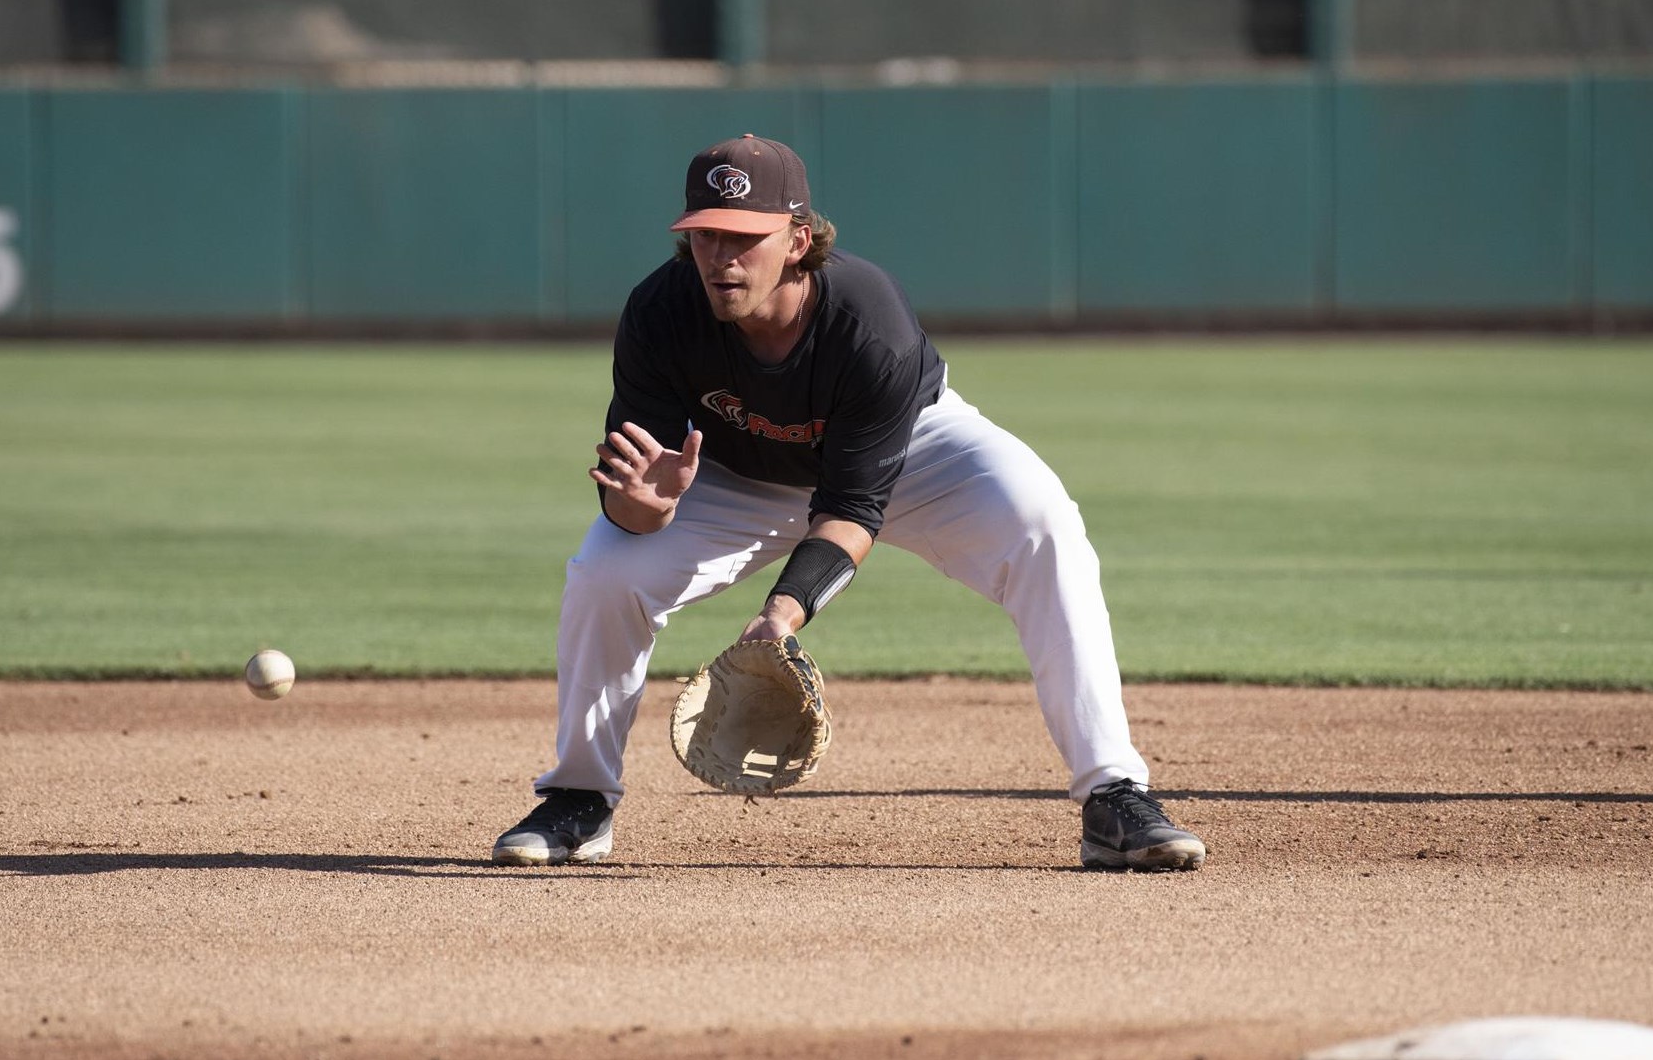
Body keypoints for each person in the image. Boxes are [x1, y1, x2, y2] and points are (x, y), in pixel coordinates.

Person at [492, 134, 1205, 872]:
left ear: (798, 240)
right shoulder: (660, 312)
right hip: (732, 473)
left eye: (744, 237)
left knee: (1042, 523)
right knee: (606, 571)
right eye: (705, 233)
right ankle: (579, 798)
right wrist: (648, 508)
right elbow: (635, 503)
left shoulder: (868, 321)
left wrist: (781, 615)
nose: (721, 256)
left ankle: (1113, 793)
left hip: (912, 450)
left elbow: (854, 507)